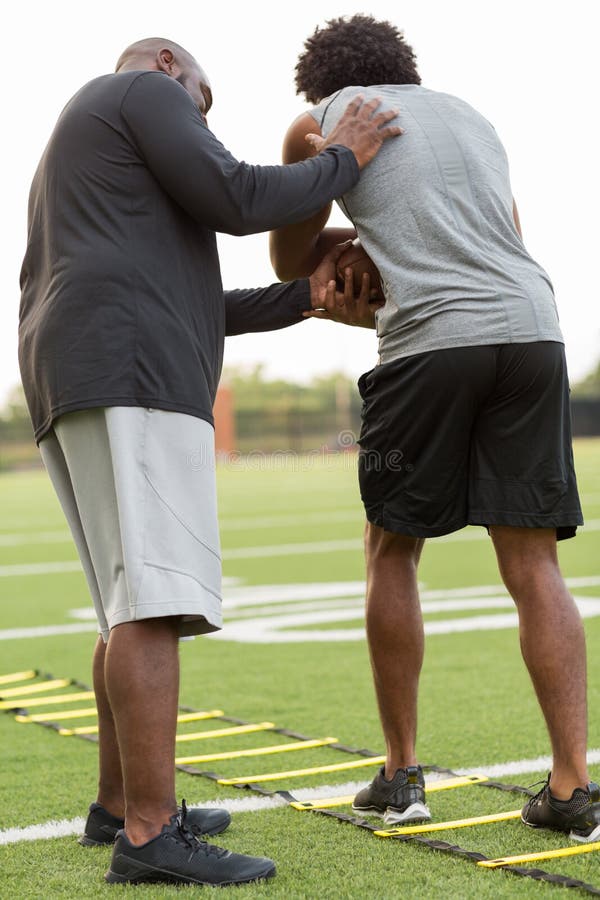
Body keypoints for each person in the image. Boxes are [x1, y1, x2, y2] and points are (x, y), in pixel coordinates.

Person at [18, 36, 401, 887]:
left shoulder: (87, 169)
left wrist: (304, 299)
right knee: (155, 606)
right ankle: (152, 834)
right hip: (132, 371)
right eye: (203, 99)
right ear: (165, 65)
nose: (202, 117)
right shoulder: (141, 93)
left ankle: (121, 805)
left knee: (125, 608)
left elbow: (202, 301)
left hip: (77, 367)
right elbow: (236, 194)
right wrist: (345, 158)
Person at [270, 14, 600, 842]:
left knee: (392, 547)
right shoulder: (472, 116)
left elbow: (287, 260)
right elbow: (501, 240)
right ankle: (572, 786)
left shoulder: (318, 121)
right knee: (533, 563)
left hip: (432, 346)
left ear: (323, 83)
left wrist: (345, 244)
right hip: (532, 328)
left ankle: (402, 773)